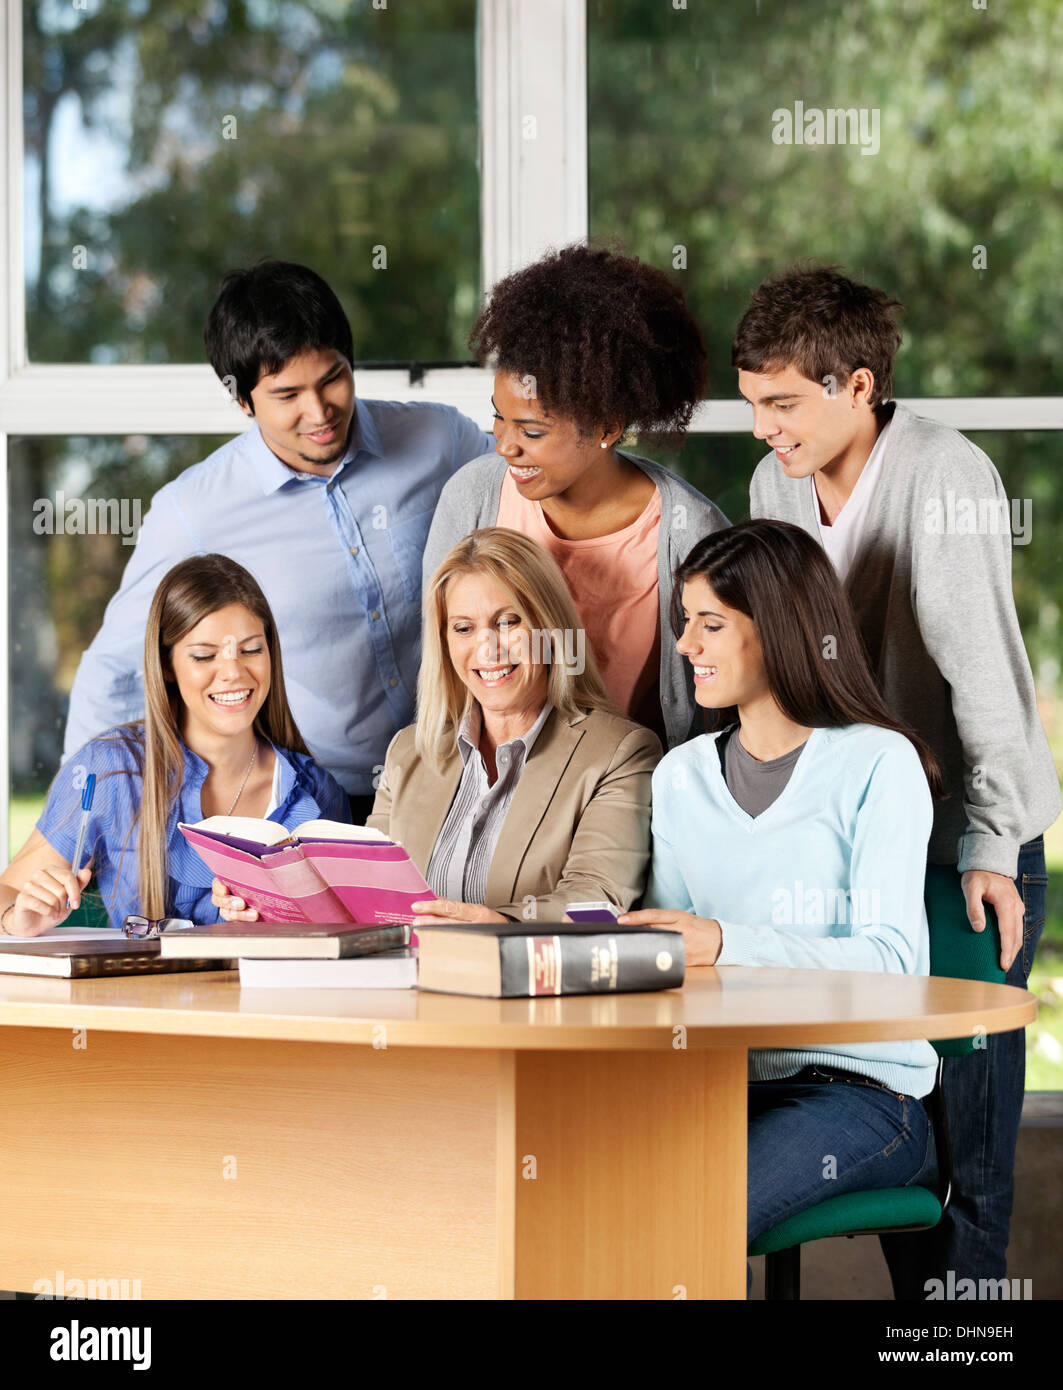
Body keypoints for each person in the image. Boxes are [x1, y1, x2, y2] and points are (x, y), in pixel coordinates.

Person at [735, 264, 1060, 1295]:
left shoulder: (944, 476)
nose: (763, 430)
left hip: (960, 848)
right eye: (753, 405)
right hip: (851, 852)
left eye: (782, 404)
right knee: (877, 1116)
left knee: (962, 1187)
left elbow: (986, 681)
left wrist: (988, 845)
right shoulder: (773, 485)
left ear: (859, 385)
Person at [620, 520, 943, 1289]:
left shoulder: (875, 764)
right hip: (715, 1081)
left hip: (858, 1094)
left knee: (682, 1214)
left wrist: (725, 941)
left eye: (710, 624)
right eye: (682, 623)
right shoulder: (680, 776)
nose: (684, 645)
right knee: (583, 1196)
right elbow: (676, 962)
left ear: (778, 628)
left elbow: (893, 963)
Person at [63, 259, 494, 822]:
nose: (319, 413)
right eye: (288, 394)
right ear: (243, 400)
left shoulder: (439, 440)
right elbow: (114, 672)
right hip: (313, 801)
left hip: (458, 776)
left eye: (333, 378)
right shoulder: (193, 511)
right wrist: (72, 829)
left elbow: (537, 483)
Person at [214, 529, 661, 927]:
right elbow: (361, 892)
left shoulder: (618, 752)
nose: (487, 648)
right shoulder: (408, 752)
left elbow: (597, 900)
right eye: (464, 628)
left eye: (508, 622)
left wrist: (490, 924)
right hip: (410, 999)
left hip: (531, 1003)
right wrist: (268, 900)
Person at [422, 244, 728, 752]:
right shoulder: (474, 497)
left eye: (532, 430)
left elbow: (713, 710)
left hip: (634, 794)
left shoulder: (691, 532)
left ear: (608, 427)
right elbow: (441, 662)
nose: (504, 444)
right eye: (499, 415)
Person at [0, 555, 348, 935]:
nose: (233, 672)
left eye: (250, 650)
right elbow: (8, 892)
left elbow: (349, 935)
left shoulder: (316, 795)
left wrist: (279, 924)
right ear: (167, 666)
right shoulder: (114, 768)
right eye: (204, 655)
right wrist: (16, 917)